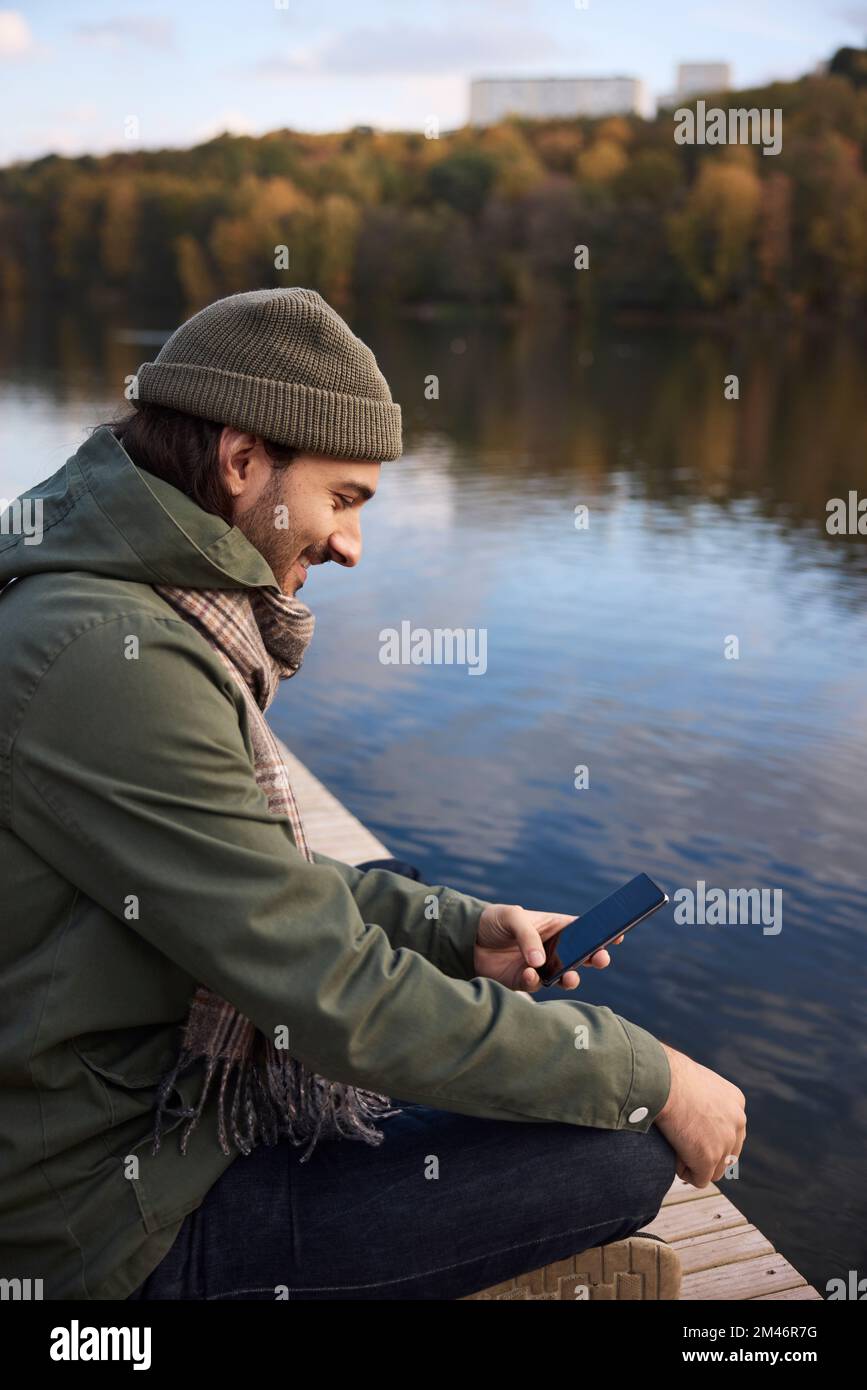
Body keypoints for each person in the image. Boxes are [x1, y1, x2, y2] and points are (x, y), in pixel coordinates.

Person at [0, 288, 746, 1301]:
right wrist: (645, 1067)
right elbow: (330, 992)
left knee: (393, 894)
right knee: (616, 1148)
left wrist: (460, 933)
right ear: (241, 461)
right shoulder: (111, 656)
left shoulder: (121, 603)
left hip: (125, 1107)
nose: (351, 545)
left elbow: (260, 881)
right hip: (96, 1222)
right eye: (343, 499)